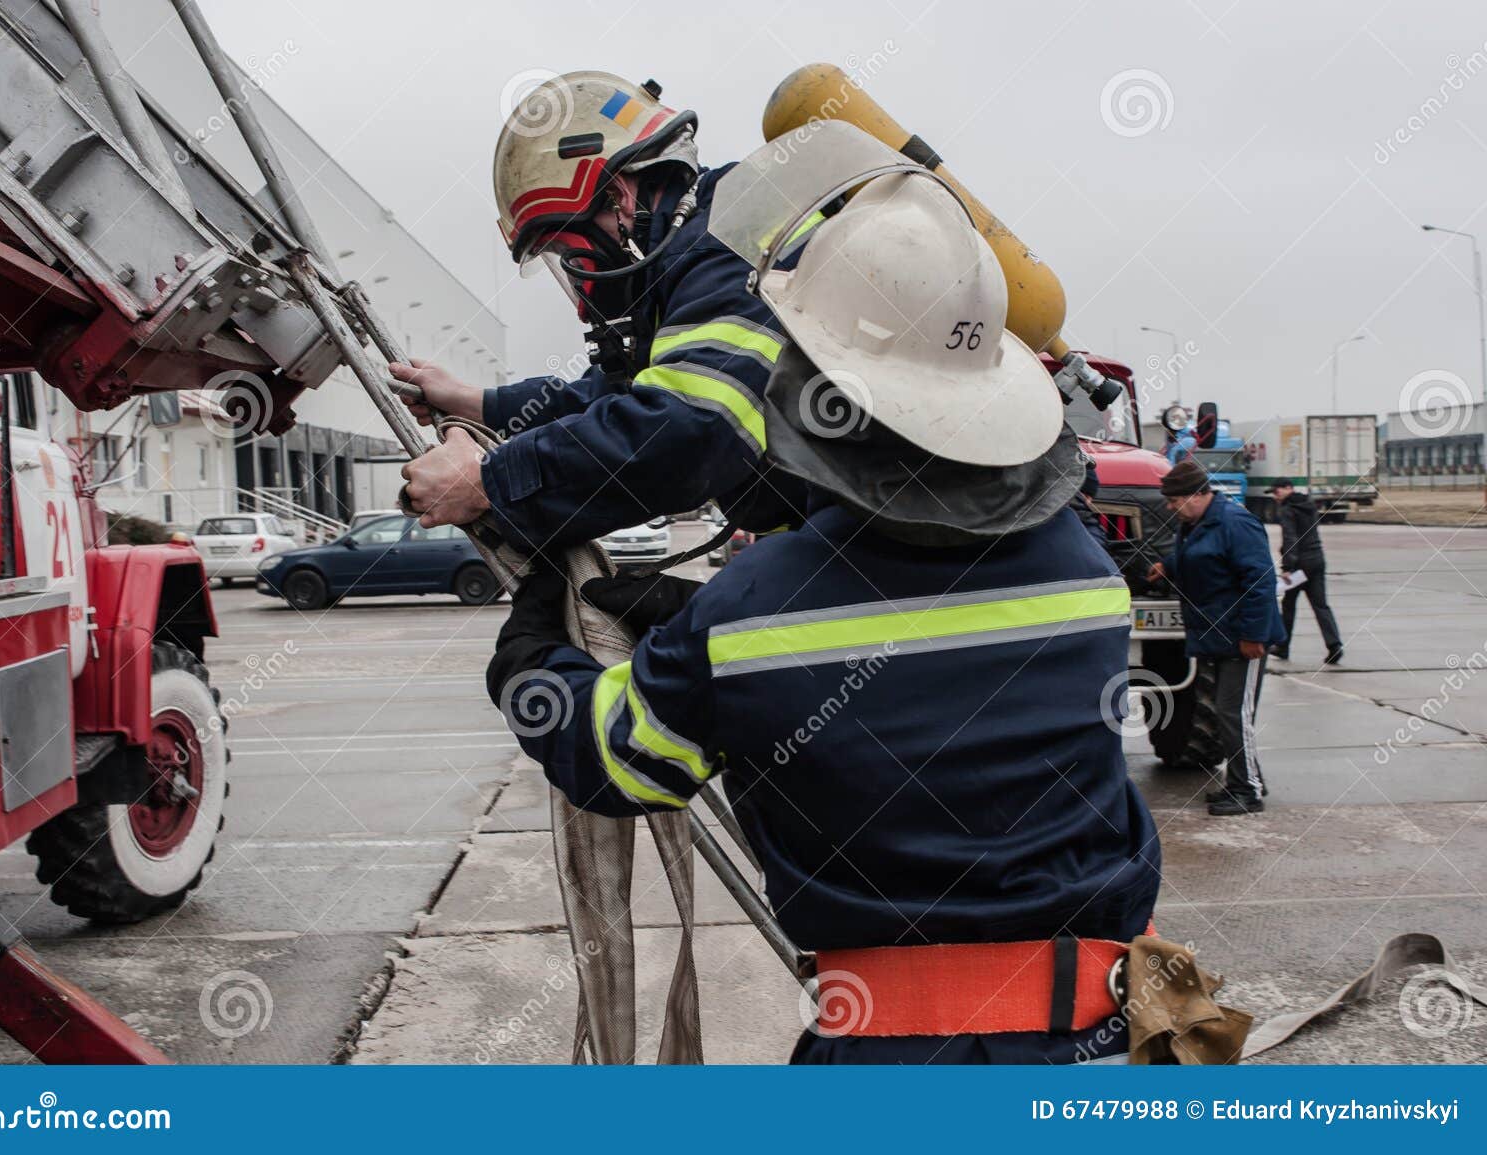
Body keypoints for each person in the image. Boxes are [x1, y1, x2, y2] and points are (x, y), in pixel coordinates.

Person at [487, 142, 1162, 1064]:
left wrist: (532, 650)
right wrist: (707, 625)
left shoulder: (752, 615)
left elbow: (617, 758)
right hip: (1104, 1043)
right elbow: (917, 640)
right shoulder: (1086, 575)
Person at [395, 72, 805, 551]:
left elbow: (692, 429)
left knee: (687, 630)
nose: (582, 284)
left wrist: (490, 480)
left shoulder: (738, 235)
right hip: (840, 542)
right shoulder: (696, 253)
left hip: (876, 559)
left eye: (569, 254)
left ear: (617, 197)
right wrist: (478, 403)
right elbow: (615, 392)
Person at [1146, 458, 1286, 816]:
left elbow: (1260, 583)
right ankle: (1246, 778)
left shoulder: (1236, 524)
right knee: (1228, 714)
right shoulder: (1196, 524)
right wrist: (1169, 565)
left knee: (1232, 712)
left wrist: (1254, 636)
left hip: (1243, 639)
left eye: (1175, 500)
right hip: (1220, 636)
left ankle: (1247, 791)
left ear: (1197, 494)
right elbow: (1201, 558)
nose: (1170, 506)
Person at [1269, 477, 1343, 665]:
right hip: (1317, 559)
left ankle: (1283, 646)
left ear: (1288, 488)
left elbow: (1290, 538)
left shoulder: (1287, 509)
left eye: (1277, 491)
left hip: (1300, 564)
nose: (1275, 496)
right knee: (1320, 605)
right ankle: (1334, 645)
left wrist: (1287, 567)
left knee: (1288, 605)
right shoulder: (1308, 504)